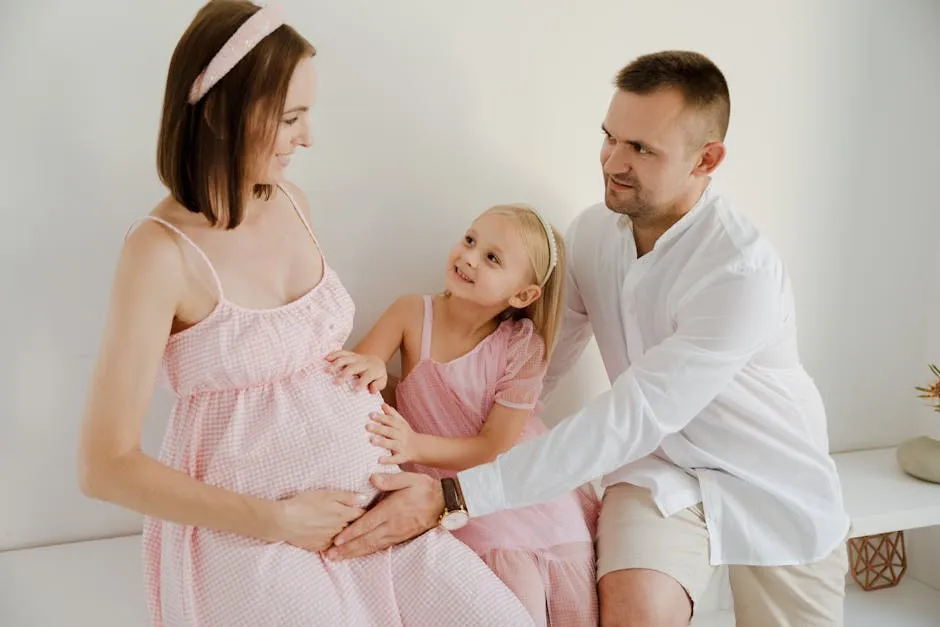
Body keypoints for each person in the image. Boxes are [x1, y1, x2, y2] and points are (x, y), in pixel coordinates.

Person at [327, 50, 851, 627]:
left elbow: (635, 411)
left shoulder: (738, 271)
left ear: (707, 159)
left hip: (769, 479)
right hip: (658, 471)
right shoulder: (594, 235)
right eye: (610, 137)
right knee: (633, 615)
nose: (612, 161)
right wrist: (422, 423)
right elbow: (534, 374)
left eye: (641, 149)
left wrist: (457, 495)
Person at [77, 2, 534, 625]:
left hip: (375, 514)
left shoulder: (292, 200)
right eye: (291, 117)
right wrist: (279, 520)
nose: (308, 137)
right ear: (218, 112)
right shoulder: (159, 253)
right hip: (258, 536)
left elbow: (305, 363)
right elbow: (105, 467)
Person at [326, 204, 600, 625]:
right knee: (515, 600)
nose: (469, 257)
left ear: (523, 295)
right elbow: (354, 376)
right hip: (463, 501)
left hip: (517, 486)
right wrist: (378, 370)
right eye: (470, 240)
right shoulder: (412, 313)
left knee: (570, 604)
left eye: (492, 258)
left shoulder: (522, 345)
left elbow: (494, 447)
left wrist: (414, 444)